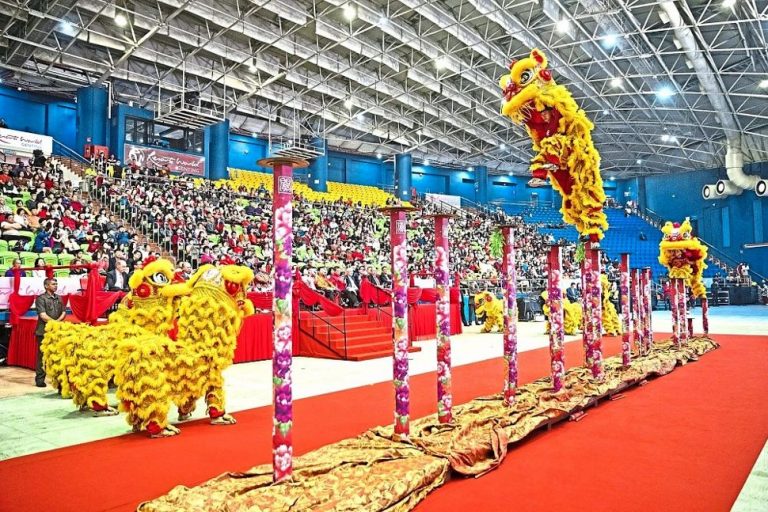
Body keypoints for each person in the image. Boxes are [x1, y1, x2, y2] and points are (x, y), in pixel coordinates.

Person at [34, 277, 65, 387]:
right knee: (42, 356)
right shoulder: (41, 298)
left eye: (56, 284)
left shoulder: (59, 298)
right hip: (43, 332)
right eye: (53, 284)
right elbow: (43, 315)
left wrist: (57, 323)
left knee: (58, 355)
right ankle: (40, 379)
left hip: (57, 331)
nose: (56, 285)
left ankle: (58, 380)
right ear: (46, 286)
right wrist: (54, 323)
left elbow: (64, 312)